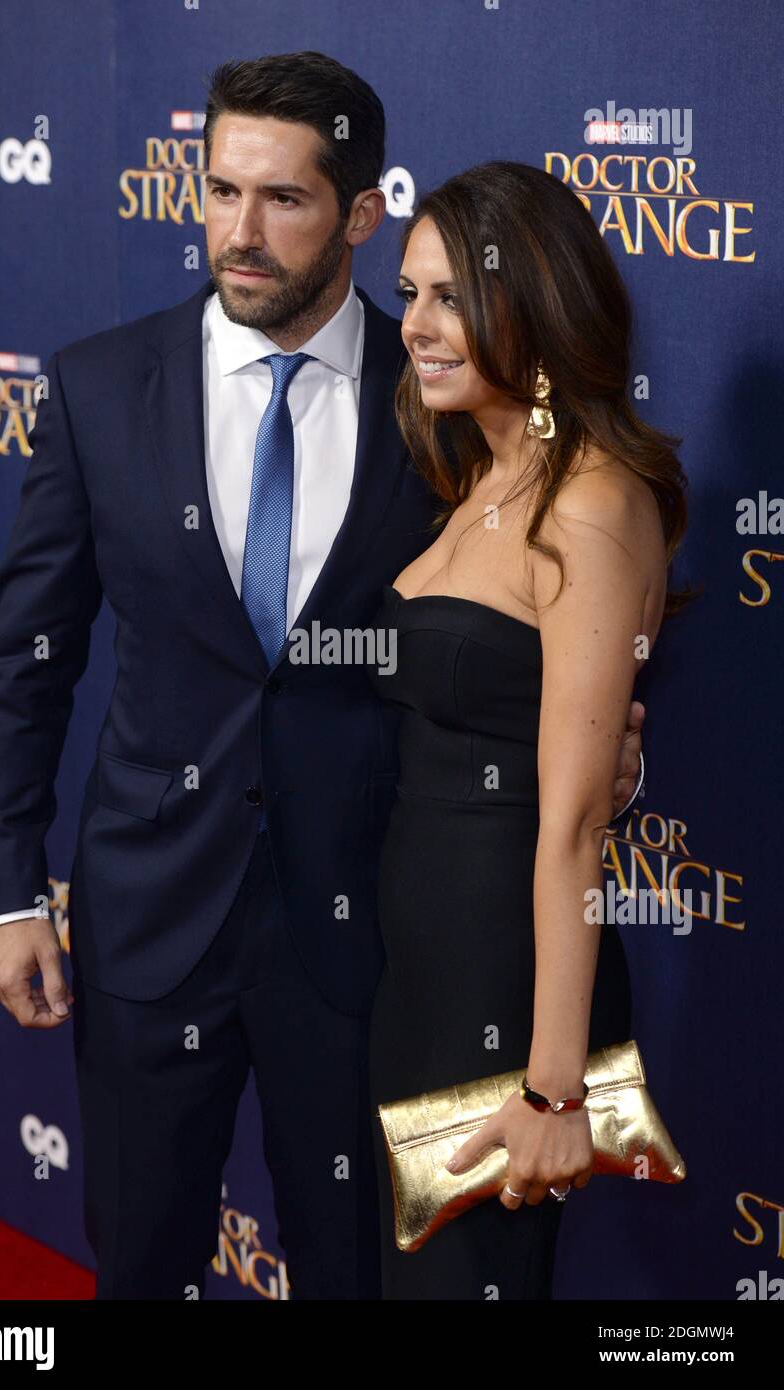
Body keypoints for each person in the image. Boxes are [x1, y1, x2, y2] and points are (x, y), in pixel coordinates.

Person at [0, 54, 644, 1300]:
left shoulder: (440, 392)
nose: (238, 231)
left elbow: (516, 614)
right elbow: (25, 658)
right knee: (142, 1257)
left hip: (365, 945)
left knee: (351, 1272)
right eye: (218, 190)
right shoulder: (103, 387)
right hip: (146, 921)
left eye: (281, 199)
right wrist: (10, 890)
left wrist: (593, 727)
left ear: (358, 211)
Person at [367, 161, 688, 1300]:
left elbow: (569, 828)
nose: (415, 327)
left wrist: (555, 1090)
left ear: (535, 299)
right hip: (413, 975)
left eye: (449, 296)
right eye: (407, 294)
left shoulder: (594, 501)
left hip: (504, 991)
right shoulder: (479, 475)